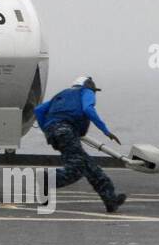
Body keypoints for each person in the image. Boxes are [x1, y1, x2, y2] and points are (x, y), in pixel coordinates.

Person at [34, 76, 127, 213]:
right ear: (88, 86)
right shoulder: (85, 92)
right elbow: (88, 109)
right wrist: (105, 131)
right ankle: (46, 180)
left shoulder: (62, 94)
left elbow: (39, 110)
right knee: (76, 169)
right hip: (66, 132)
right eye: (94, 91)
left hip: (58, 133)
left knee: (90, 167)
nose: (94, 94)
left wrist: (48, 131)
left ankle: (110, 200)